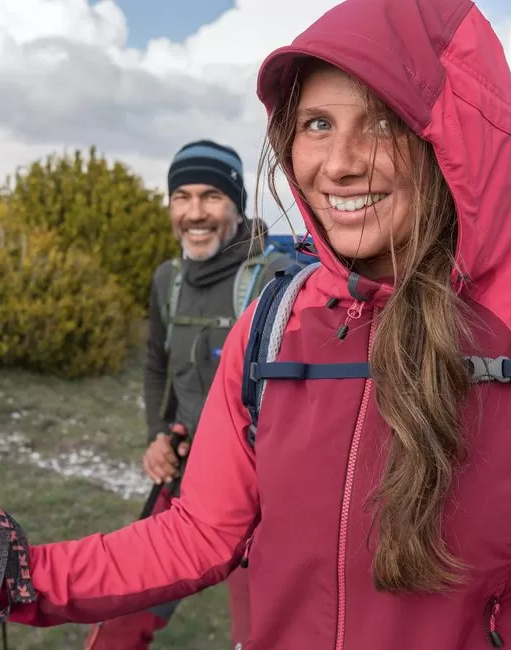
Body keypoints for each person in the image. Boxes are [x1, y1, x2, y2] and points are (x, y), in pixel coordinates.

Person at [0, 0, 511, 647]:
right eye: (317, 124)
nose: (340, 164)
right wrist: (20, 570)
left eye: (383, 120)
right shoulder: (277, 324)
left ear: (456, 137)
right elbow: (201, 534)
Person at [84, 140, 295, 649]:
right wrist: (157, 434)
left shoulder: (274, 279)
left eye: (211, 197)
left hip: (264, 493)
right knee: (122, 613)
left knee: (262, 634)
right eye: (181, 197)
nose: (195, 213)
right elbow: (157, 365)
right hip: (187, 473)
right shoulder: (168, 280)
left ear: (237, 206)